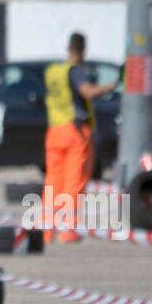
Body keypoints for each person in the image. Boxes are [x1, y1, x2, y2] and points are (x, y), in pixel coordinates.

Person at [43, 32, 117, 242]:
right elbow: (87, 92)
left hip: (54, 131)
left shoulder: (53, 72)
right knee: (73, 182)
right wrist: (109, 87)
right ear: (83, 49)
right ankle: (68, 231)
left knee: (52, 183)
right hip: (74, 132)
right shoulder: (74, 71)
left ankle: (47, 232)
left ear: (68, 47)